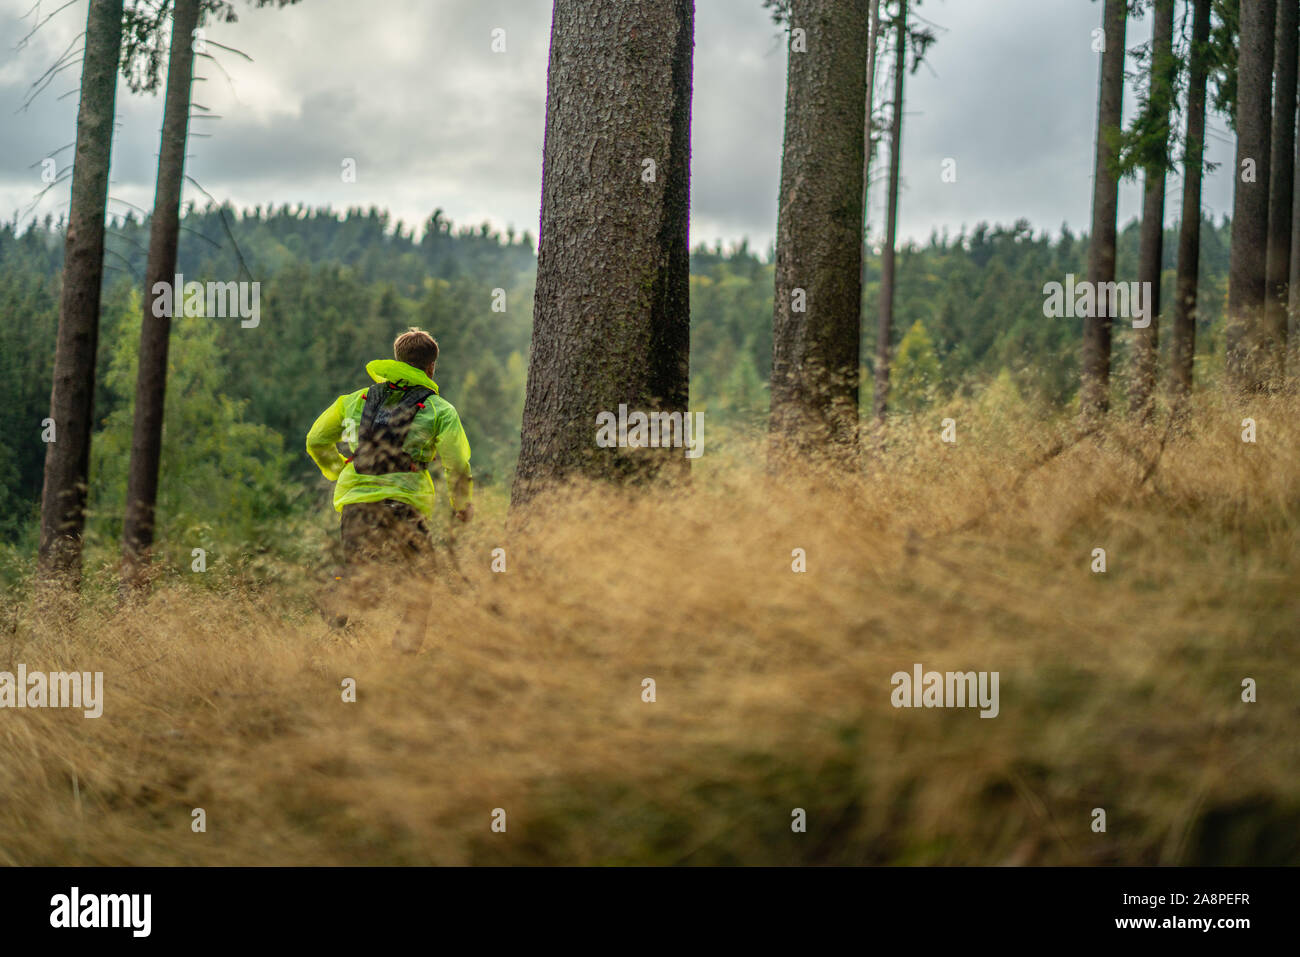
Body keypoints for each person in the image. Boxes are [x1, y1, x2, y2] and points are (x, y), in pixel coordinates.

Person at [306, 328, 472, 651]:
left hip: (356, 506)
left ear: (397, 359)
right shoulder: (439, 409)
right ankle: (402, 656)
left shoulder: (354, 400)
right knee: (421, 583)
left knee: (359, 572)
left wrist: (341, 470)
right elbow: (458, 462)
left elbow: (316, 440)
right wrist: (461, 504)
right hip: (405, 507)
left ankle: (336, 592)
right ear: (431, 367)